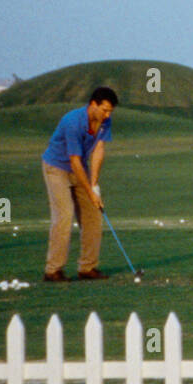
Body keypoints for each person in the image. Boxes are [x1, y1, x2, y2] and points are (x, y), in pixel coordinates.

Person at [41, 87, 118, 281]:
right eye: (104, 110)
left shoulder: (104, 122)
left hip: (79, 168)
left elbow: (99, 150)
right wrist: (90, 191)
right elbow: (74, 160)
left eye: (110, 111)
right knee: (64, 215)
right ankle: (53, 270)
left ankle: (87, 268)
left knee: (93, 214)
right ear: (93, 104)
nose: (107, 115)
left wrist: (94, 186)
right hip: (56, 168)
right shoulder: (72, 121)